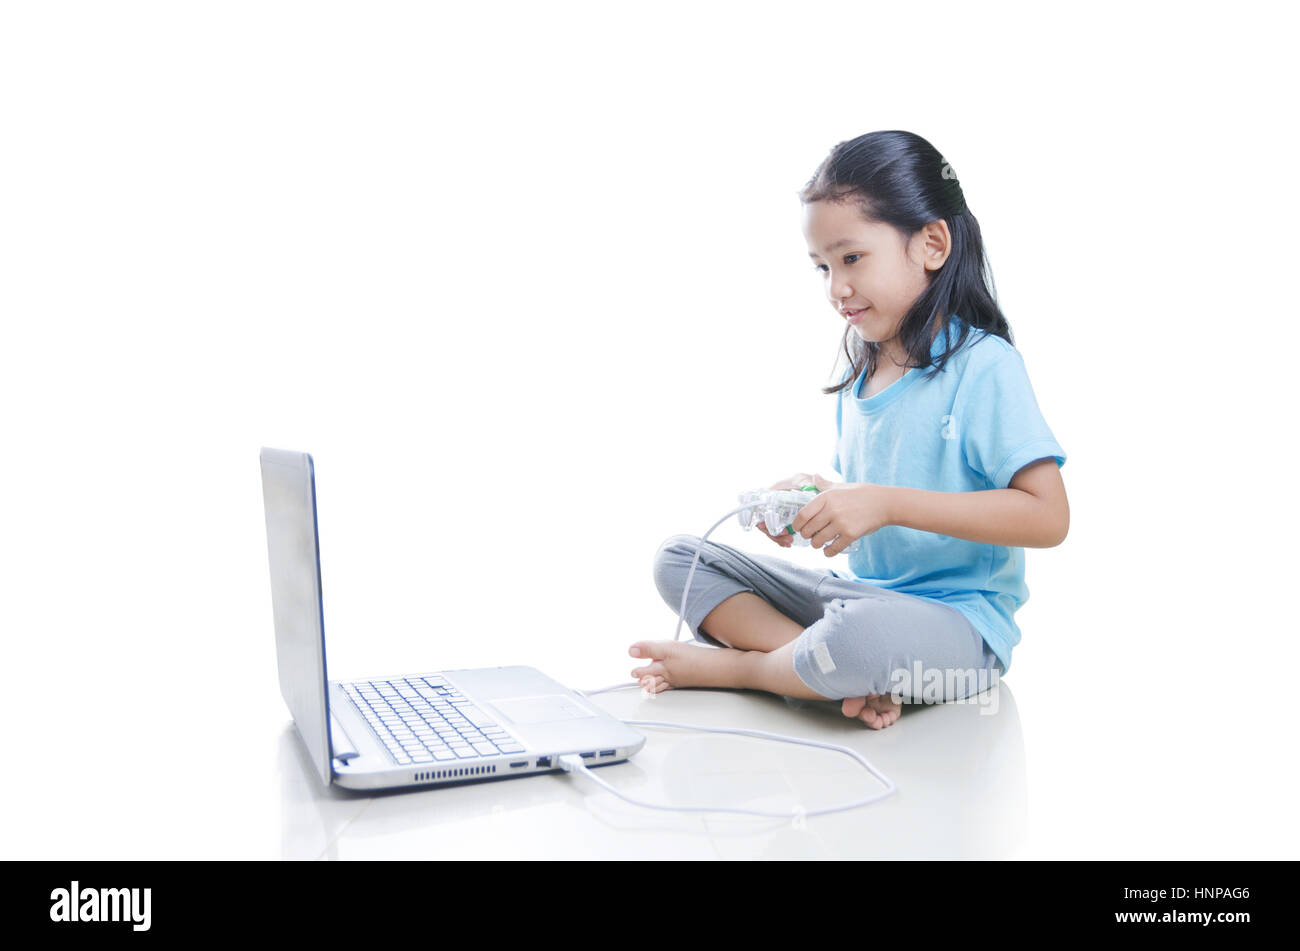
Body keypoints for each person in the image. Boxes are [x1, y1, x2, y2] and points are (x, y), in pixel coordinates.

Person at [630, 130, 1069, 729]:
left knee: (860, 636)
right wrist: (819, 498)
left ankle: (749, 670)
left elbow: (1048, 518)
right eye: (823, 267)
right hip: (859, 599)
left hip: (962, 635)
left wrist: (884, 504)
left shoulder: (984, 366)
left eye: (852, 258)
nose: (837, 288)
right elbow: (871, 493)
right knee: (678, 560)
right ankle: (827, 672)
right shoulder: (863, 369)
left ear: (932, 244)